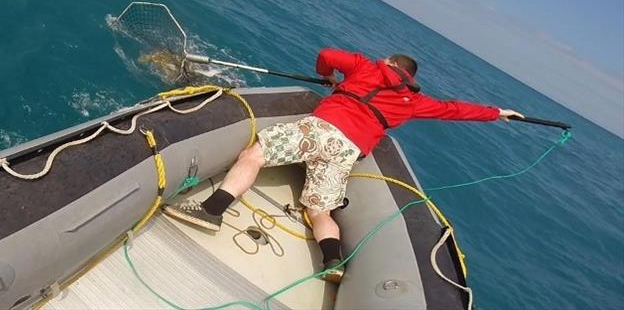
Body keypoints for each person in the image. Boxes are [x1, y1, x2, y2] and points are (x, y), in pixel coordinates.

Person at [163, 48, 523, 283]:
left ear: (392, 63)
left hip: (320, 129)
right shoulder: (414, 102)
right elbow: (455, 109)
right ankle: (332, 262)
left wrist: (330, 77)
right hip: (347, 150)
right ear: (411, 78)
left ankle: (211, 211)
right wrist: (498, 113)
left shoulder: (366, 66)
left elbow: (326, 54)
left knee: (255, 155)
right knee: (320, 209)